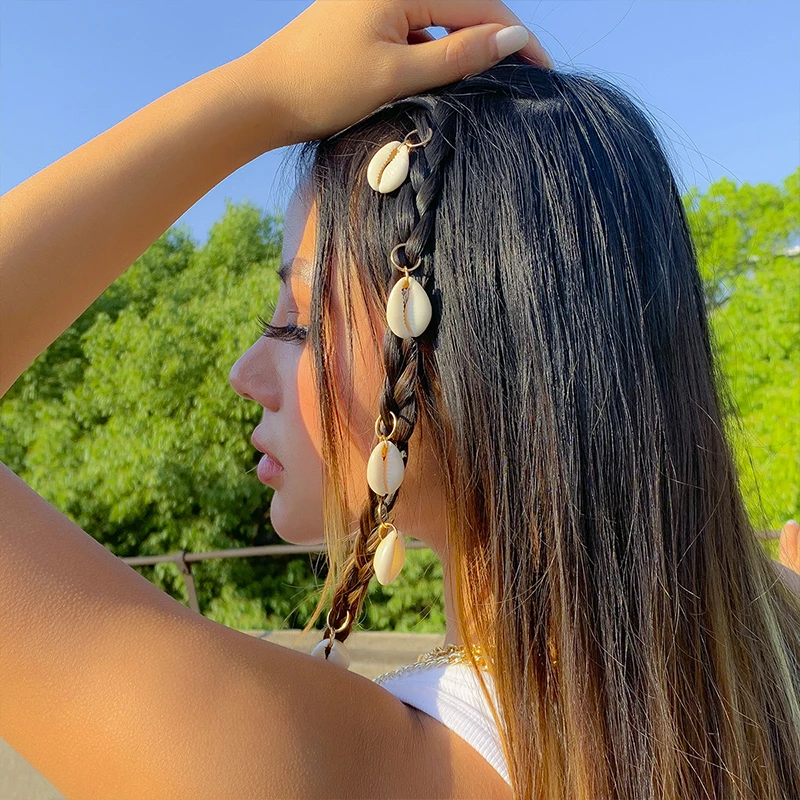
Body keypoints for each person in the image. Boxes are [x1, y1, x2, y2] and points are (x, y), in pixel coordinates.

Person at [0, 2, 797, 799]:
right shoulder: (766, 666)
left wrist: (263, 92)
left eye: (298, 320)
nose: (246, 372)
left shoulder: (318, 768)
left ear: (477, 356)